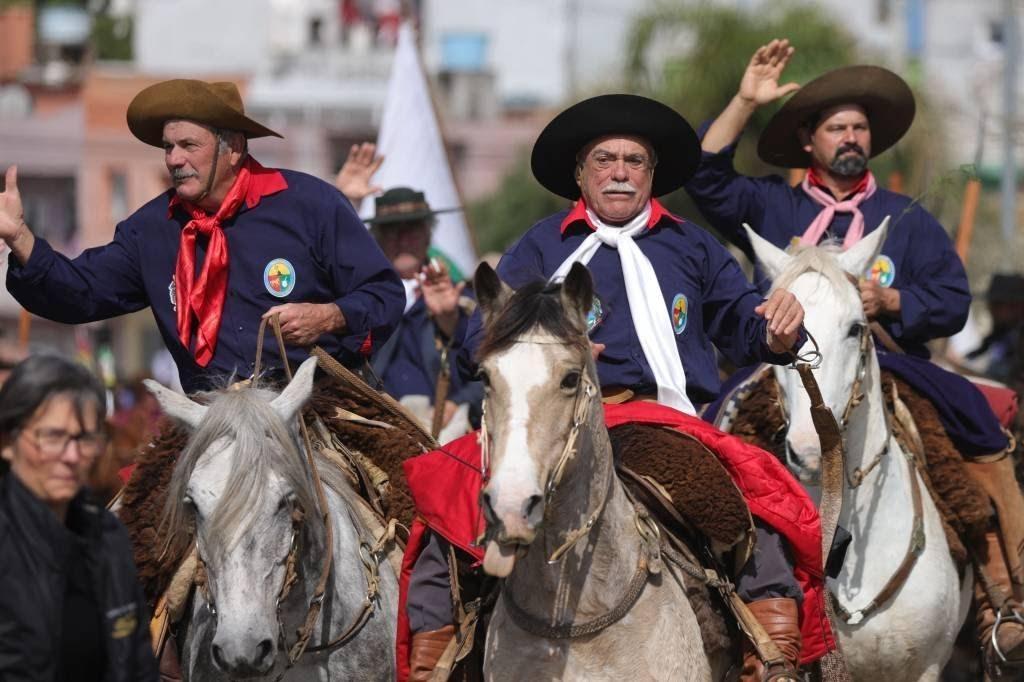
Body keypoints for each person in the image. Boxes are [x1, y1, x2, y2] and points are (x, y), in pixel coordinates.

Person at [400, 94, 834, 682]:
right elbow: (489, 327)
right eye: (605, 159)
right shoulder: (541, 245)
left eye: (635, 160)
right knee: (441, 499)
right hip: (550, 418)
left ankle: (771, 646)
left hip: (661, 419)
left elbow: (741, 322)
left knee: (753, 492)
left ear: (652, 175)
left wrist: (780, 326)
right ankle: (434, 657)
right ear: (581, 173)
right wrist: (546, 352)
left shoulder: (693, 244)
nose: (621, 171)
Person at [687, 39, 1024, 673]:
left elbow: (950, 299)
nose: (851, 137)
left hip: (885, 363)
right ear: (808, 141)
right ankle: (706, 588)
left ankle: (999, 594)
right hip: (781, 369)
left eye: (860, 127)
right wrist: (742, 101)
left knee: (974, 431)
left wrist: (890, 298)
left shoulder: (904, 217)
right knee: (714, 429)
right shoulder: (773, 204)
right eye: (837, 127)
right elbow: (704, 177)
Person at [0, 80, 405, 394]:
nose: (174, 159)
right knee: (129, 501)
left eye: (188, 145)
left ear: (234, 148)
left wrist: (328, 317)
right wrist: (21, 238)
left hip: (314, 408)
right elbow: (79, 291)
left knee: (397, 487)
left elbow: (384, 295)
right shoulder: (152, 229)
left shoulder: (310, 204)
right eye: (168, 147)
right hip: (206, 421)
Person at [0, 354, 157, 681]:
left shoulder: (108, 536)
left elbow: (138, 665)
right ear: (7, 441)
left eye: (84, 439)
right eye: (52, 437)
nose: (71, 456)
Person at [362, 187, 482, 441]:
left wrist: (451, 322)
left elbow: (489, 373)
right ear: (378, 238)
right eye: (392, 231)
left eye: (412, 230)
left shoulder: (464, 301)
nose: (403, 240)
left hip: (448, 435)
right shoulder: (363, 300)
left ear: (427, 236)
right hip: (376, 431)